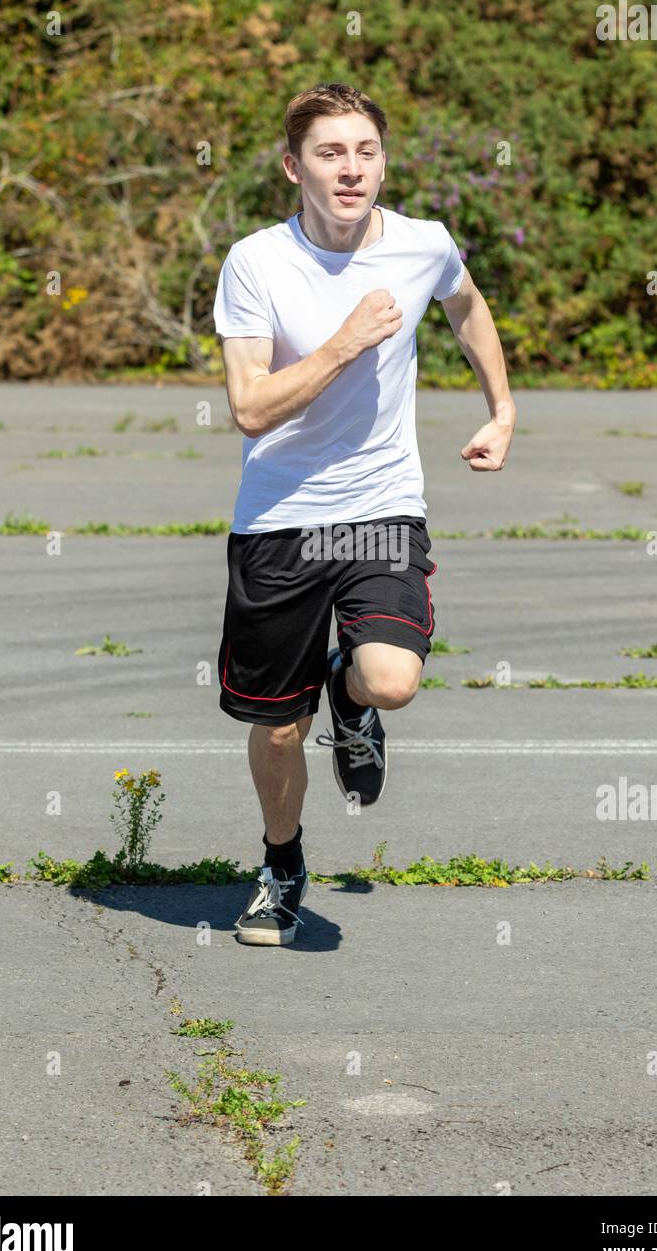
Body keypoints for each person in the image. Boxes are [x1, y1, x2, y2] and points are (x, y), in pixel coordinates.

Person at [212, 82, 515, 945]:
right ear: (292, 167)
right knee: (277, 729)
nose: (351, 169)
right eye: (330, 153)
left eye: (366, 151)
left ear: (383, 159)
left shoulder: (423, 245)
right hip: (279, 520)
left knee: (390, 679)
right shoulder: (256, 262)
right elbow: (250, 406)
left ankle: (356, 702)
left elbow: (466, 305)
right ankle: (281, 863)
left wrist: (501, 408)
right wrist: (345, 343)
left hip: (383, 506)